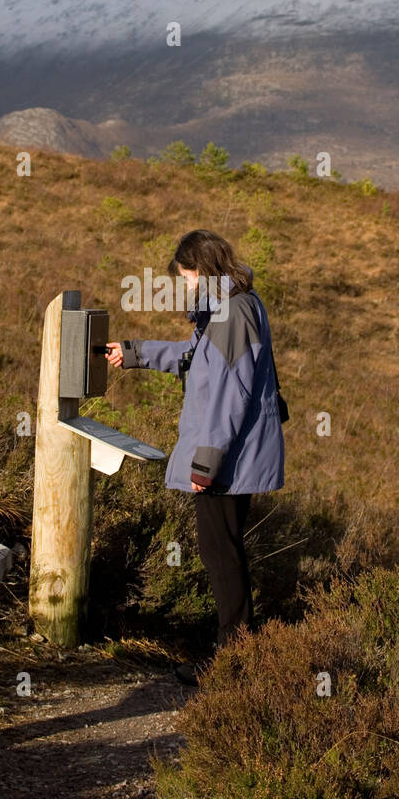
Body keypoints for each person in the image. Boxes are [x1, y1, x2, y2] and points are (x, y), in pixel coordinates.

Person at [106, 229, 285, 685]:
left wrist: (206, 463)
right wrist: (134, 354)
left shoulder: (231, 312)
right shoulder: (231, 307)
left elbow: (231, 394)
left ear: (204, 270)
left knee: (221, 555)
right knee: (224, 551)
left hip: (229, 459)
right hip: (231, 455)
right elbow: (194, 357)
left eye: (187, 277)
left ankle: (232, 664)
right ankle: (237, 655)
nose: (185, 286)